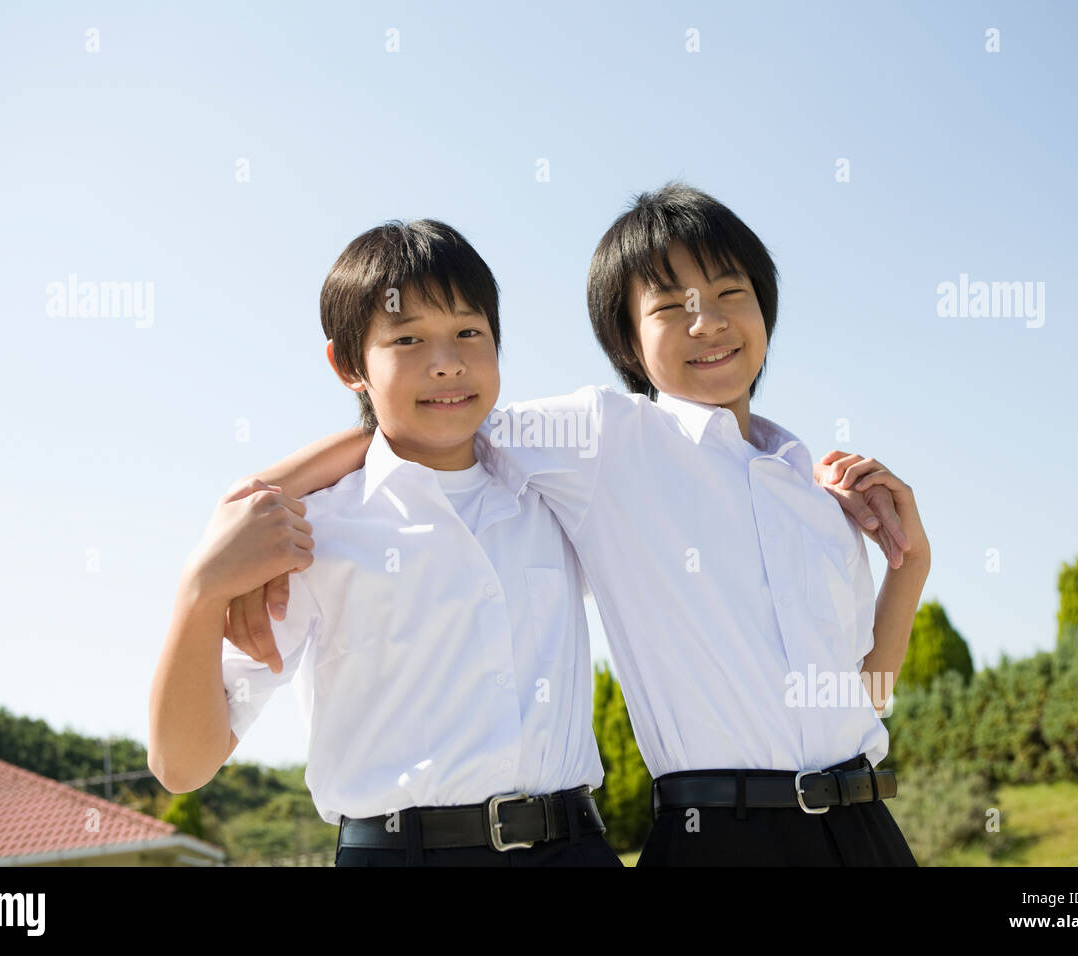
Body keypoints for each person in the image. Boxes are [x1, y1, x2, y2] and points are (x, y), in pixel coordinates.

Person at [230, 183, 929, 866]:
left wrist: (909, 567)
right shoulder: (606, 440)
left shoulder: (815, 496)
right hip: (720, 831)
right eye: (668, 306)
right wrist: (258, 498)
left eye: (729, 294)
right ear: (626, 340)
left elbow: (861, 699)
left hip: (866, 826)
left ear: (765, 311)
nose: (707, 322)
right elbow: (430, 421)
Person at [149, 219, 622, 866]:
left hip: (575, 848)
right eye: (407, 339)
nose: (447, 361)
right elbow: (181, 765)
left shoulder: (558, 488)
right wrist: (200, 590)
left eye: (468, 332)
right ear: (349, 364)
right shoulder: (311, 533)